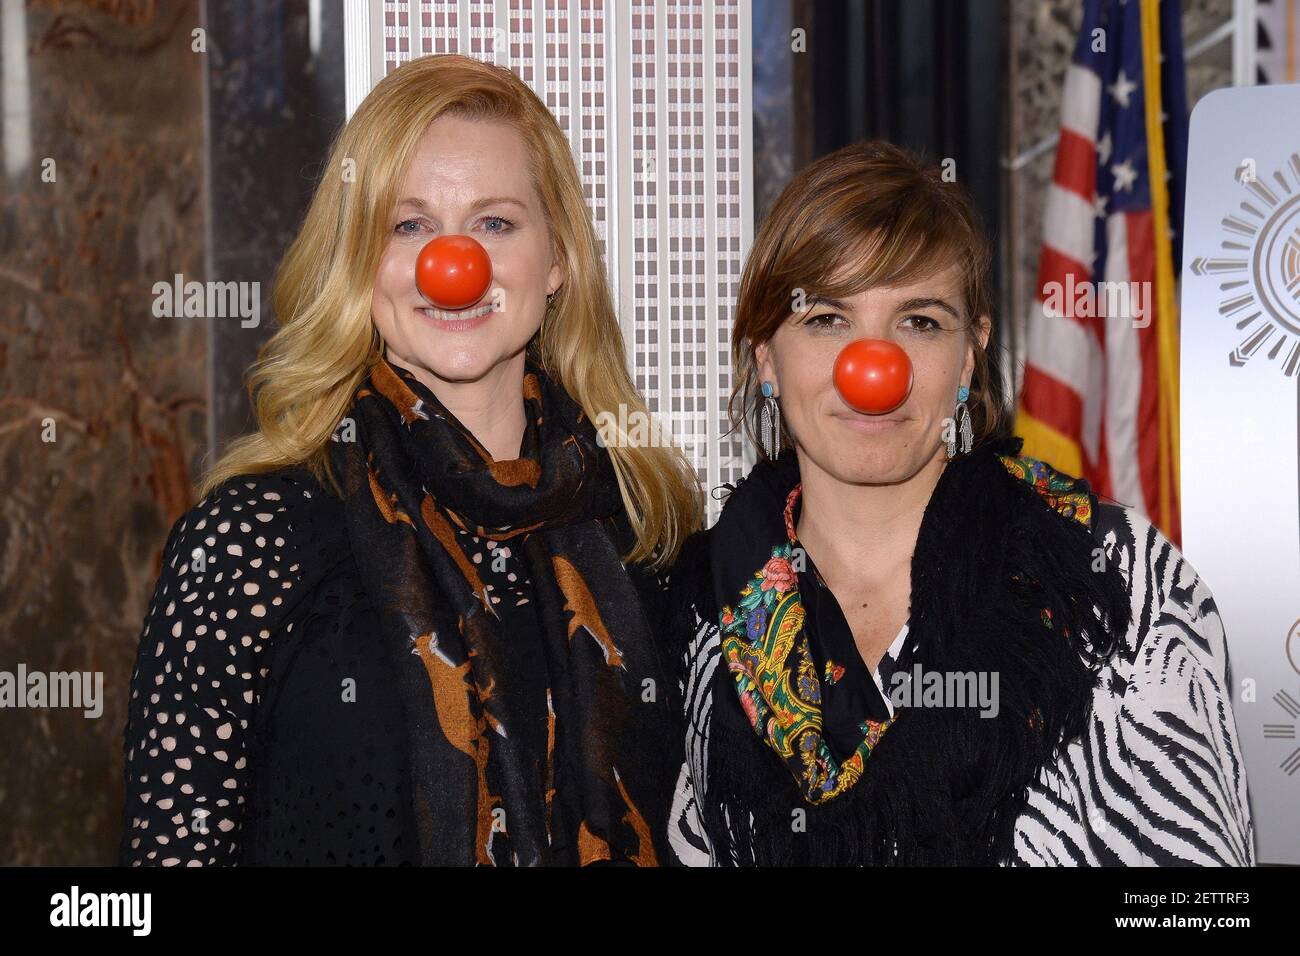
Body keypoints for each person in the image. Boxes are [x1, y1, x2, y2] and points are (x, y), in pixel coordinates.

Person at [118, 53, 701, 866]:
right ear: (362, 261)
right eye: (409, 225)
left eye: (495, 223)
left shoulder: (647, 537)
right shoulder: (250, 544)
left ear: (558, 258)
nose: (451, 263)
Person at [666, 140, 1255, 866]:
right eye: (826, 319)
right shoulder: (696, 604)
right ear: (766, 357)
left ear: (970, 353)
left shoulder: (1114, 581)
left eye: (919, 322)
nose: (871, 370)